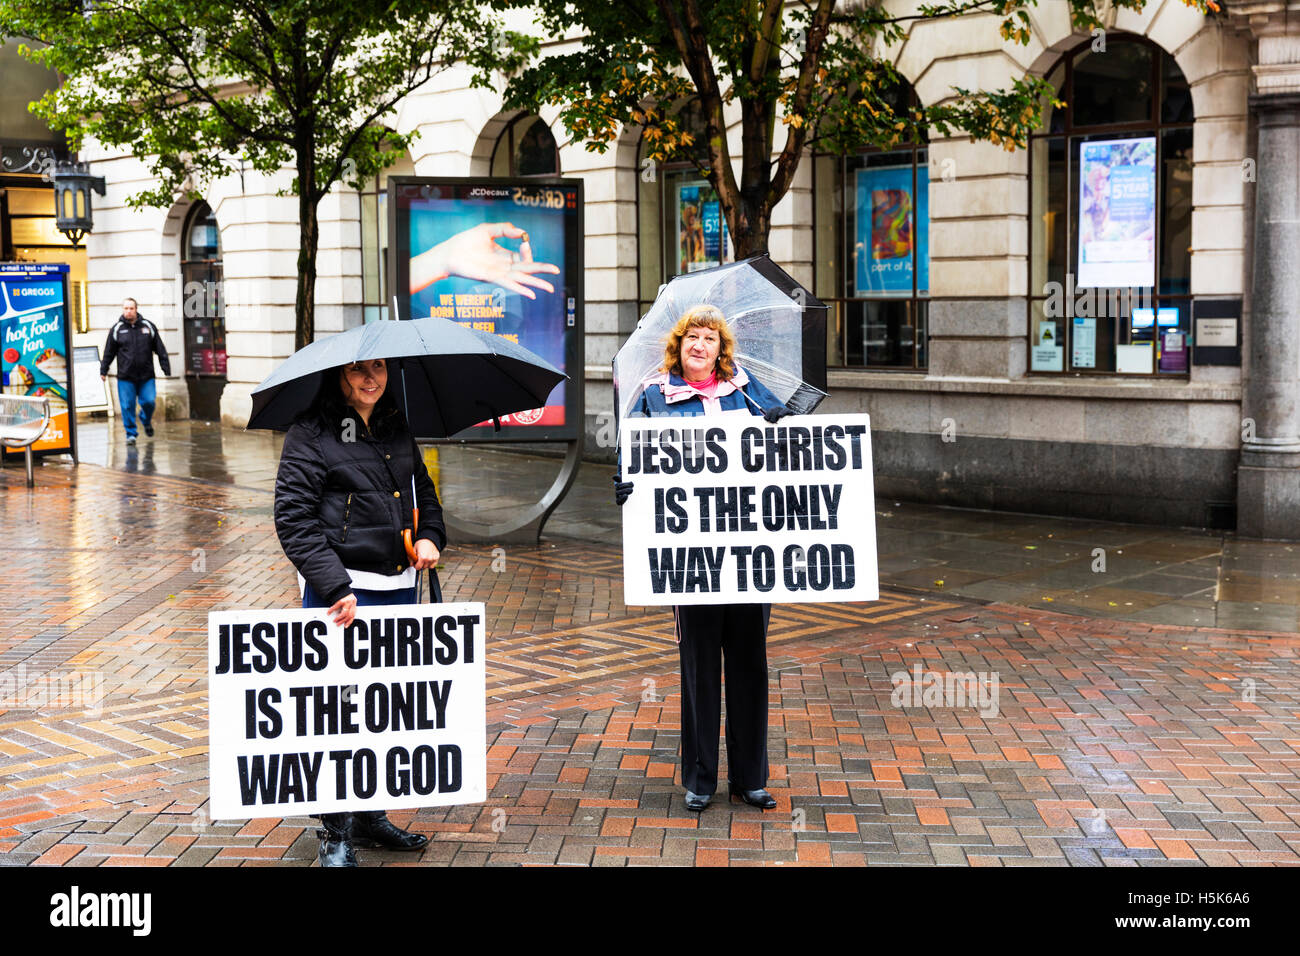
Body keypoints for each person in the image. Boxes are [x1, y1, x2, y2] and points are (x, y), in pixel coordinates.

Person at [614, 304, 792, 813]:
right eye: (692, 336)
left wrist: (782, 424)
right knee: (698, 665)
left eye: (710, 338)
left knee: (749, 663)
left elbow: (788, 445)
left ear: (721, 348)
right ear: (678, 344)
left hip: (749, 552)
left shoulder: (748, 389)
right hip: (689, 555)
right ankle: (699, 777)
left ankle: (750, 778)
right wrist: (627, 487)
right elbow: (631, 457)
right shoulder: (651, 396)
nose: (700, 345)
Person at [273, 357, 446, 867]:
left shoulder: (397, 425)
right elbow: (294, 518)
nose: (370, 380)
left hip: (398, 587)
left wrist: (432, 536)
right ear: (337, 377)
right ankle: (335, 830)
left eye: (378, 369)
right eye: (357, 372)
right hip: (344, 596)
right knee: (338, 712)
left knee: (384, 707)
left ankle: (370, 816)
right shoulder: (310, 433)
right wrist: (332, 585)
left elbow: (425, 494)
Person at [100, 297, 171, 446]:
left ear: (136, 309)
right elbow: (109, 352)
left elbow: (160, 348)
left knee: (149, 402)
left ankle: (145, 419)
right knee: (127, 406)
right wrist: (103, 370)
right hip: (126, 377)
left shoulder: (148, 327)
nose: (128, 311)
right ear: (123, 310)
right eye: (126, 308)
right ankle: (131, 434)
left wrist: (165, 366)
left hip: (146, 376)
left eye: (131, 308)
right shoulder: (117, 329)